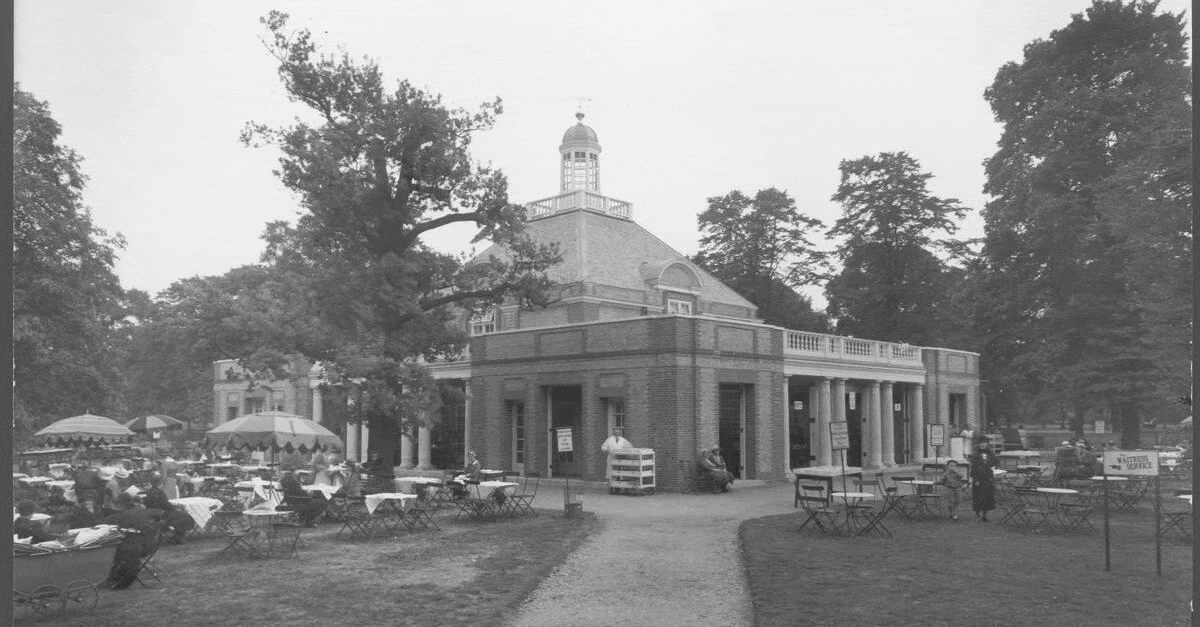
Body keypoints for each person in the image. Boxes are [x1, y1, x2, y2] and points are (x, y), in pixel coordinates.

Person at [101, 493, 163, 590]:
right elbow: (160, 513)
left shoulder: (122, 516)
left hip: (134, 549)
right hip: (149, 545)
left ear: (120, 505)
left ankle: (109, 577)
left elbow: (103, 522)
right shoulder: (142, 511)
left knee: (109, 551)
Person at [141, 475, 196, 543]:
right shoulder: (159, 493)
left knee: (180, 514)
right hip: (163, 514)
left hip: (153, 514)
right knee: (186, 516)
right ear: (160, 483)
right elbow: (167, 505)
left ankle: (176, 534)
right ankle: (179, 537)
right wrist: (177, 507)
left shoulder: (149, 492)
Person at [970, 441, 997, 521]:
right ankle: (978, 514)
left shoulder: (991, 453)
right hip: (978, 478)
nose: (982, 444)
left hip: (988, 478)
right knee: (978, 497)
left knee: (987, 496)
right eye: (981, 443)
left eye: (984, 443)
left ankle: (985, 514)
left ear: (987, 444)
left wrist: (994, 468)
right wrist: (975, 479)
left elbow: (995, 462)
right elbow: (973, 467)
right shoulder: (975, 454)